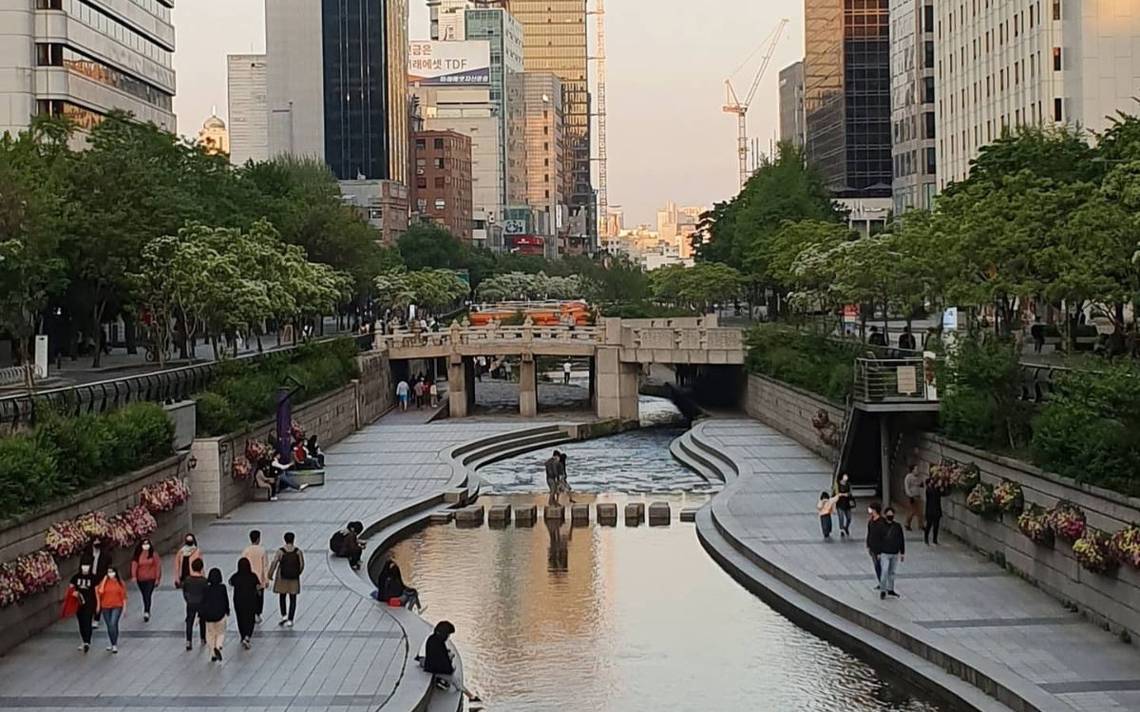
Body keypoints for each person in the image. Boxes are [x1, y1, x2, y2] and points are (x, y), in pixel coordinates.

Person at [421, 621, 482, 708]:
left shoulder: (432, 639)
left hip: (429, 664)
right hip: (435, 669)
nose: (449, 637)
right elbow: (445, 667)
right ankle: (471, 696)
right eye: (448, 635)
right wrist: (451, 667)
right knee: (455, 680)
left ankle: (470, 696)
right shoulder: (439, 644)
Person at [268, 532, 304, 627]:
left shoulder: (280, 551)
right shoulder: (298, 551)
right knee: (293, 598)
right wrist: (297, 573)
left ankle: (284, 615)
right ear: (293, 539)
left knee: (282, 596)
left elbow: (274, 562)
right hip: (294, 578)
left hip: (282, 577)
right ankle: (291, 619)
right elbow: (301, 565)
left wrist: (270, 574)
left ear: (285, 539)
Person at [95, 566, 127, 654]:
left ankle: (114, 645)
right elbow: (100, 591)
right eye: (108, 572)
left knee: (113, 623)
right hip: (105, 606)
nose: (110, 574)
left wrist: (124, 608)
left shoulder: (120, 583)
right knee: (110, 625)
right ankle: (113, 641)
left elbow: (124, 597)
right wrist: (105, 580)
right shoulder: (104, 582)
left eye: (112, 572)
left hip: (117, 606)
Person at [79, 538, 110, 628]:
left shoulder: (105, 555)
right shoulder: (86, 555)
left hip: (100, 578)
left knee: (98, 598)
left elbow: (108, 568)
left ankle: (96, 618)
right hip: (89, 579)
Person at [240, 529, 270, 624]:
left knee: (250, 596)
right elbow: (265, 566)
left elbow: (242, 563)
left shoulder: (246, 550)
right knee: (259, 597)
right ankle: (257, 613)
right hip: (259, 578)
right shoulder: (262, 550)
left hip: (248, 578)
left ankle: (251, 613)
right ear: (258, 539)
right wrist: (266, 579)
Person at [68, 562, 98, 653]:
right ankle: (84, 640)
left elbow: (96, 591)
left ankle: (87, 641)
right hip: (79, 604)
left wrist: (98, 604)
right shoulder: (75, 577)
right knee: (81, 622)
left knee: (87, 622)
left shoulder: (93, 578)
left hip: (90, 603)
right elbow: (71, 587)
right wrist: (73, 592)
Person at [201, 568, 230, 662]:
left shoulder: (206, 588)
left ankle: (213, 653)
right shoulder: (222, 588)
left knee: (210, 634)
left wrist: (201, 614)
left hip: (209, 615)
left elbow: (203, 601)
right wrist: (227, 610)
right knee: (221, 632)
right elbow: (225, 600)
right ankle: (218, 646)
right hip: (220, 613)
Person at [130, 539, 160, 622]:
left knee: (148, 594)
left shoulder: (153, 554)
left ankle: (147, 611)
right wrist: (134, 576)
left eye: (147, 544)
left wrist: (157, 578)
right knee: (144, 594)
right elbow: (134, 565)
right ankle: (146, 607)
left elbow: (157, 566)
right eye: (144, 544)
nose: (146, 545)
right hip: (141, 578)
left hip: (151, 578)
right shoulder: (138, 555)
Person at [879, 507, 906, 599]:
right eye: (889, 514)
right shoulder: (881, 526)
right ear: (885, 515)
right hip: (884, 552)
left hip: (895, 553)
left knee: (892, 572)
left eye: (892, 514)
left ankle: (890, 589)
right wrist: (878, 552)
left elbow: (901, 539)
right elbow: (877, 539)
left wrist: (902, 552)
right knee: (885, 571)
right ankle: (883, 589)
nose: (890, 516)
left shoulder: (897, 526)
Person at [182, 558, 208, 650]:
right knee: (202, 621)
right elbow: (206, 593)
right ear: (201, 568)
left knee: (189, 621)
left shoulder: (187, 580)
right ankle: (203, 638)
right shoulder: (204, 581)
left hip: (190, 602)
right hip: (201, 603)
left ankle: (188, 641)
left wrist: (187, 599)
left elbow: (184, 591)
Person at [866, 502, 887, 587]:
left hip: (880, 549)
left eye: (870, 508)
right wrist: (868, 544)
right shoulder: (871, 521)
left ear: (875, 510)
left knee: (881, 567)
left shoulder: (882, 522)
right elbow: (869, 533)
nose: (869, 510)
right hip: (872, 548)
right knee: (876, 567)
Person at [903, 465, 926, 531]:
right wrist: (910, 496)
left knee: (920, 511)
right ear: (912, 470)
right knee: (912, 511)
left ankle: (921, 525)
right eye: (916, 469)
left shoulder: (919, 477)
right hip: (912, 496)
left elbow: (921, 485)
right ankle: (907, 524)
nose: (917, 470)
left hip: (918, 495)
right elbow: (907, 487)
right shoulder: (908, 477)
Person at [924, 479, 944, 546]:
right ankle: (926, 538)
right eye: (931, 482)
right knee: (928, 525)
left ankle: (935, 540)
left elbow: (943, 493)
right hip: (930, 511)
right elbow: (933, 493)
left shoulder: (937, 489)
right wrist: (938, 486)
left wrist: (942, 487)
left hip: (937, 510)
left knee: (936, 526)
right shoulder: (928, 490)